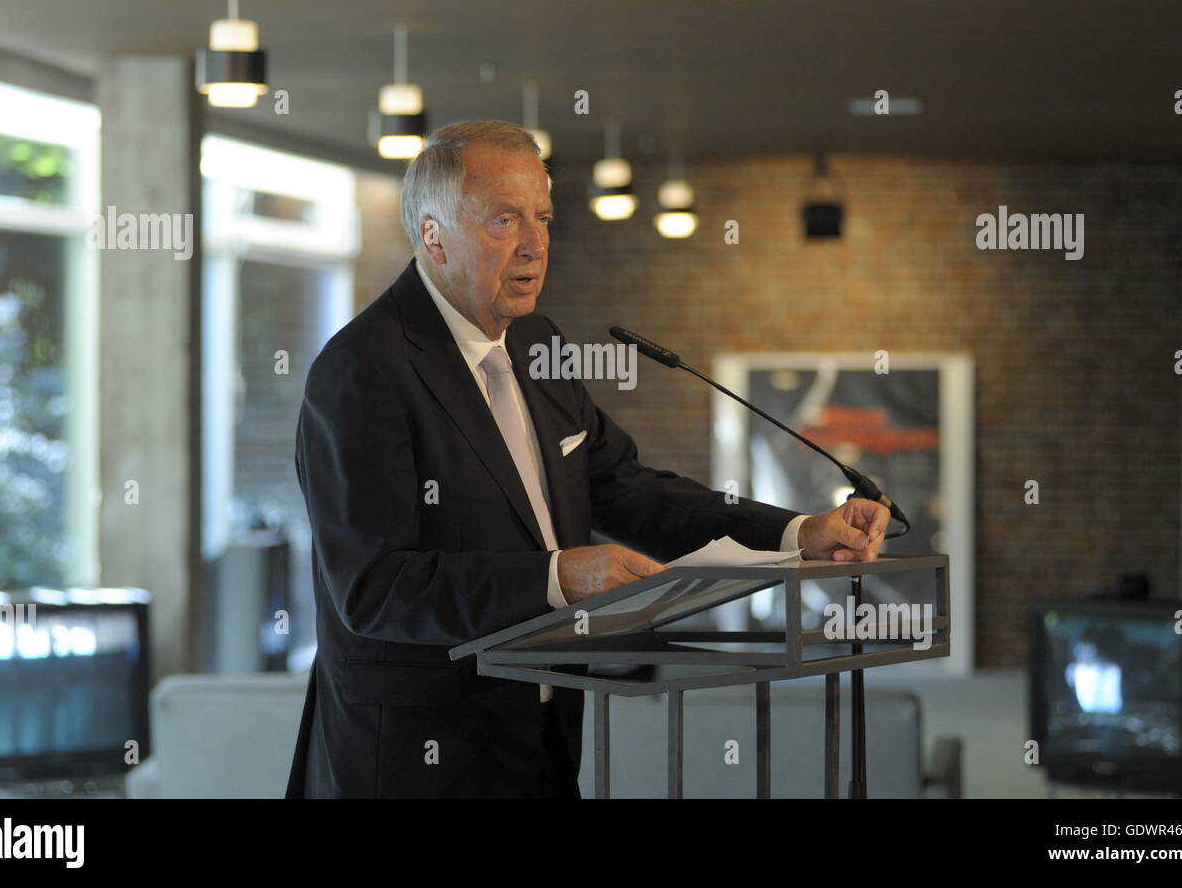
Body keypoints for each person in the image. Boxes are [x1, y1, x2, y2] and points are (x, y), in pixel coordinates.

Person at [286, 120, 889, 798]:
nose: (536, 246)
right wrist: (556, 578)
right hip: (415, 755)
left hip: (543, 734)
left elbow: (627, 487)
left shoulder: (538, 342)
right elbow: (375, 589)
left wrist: (795, 531)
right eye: (504, 221)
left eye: (542, 218)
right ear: (432, 235)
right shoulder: (362, 371)